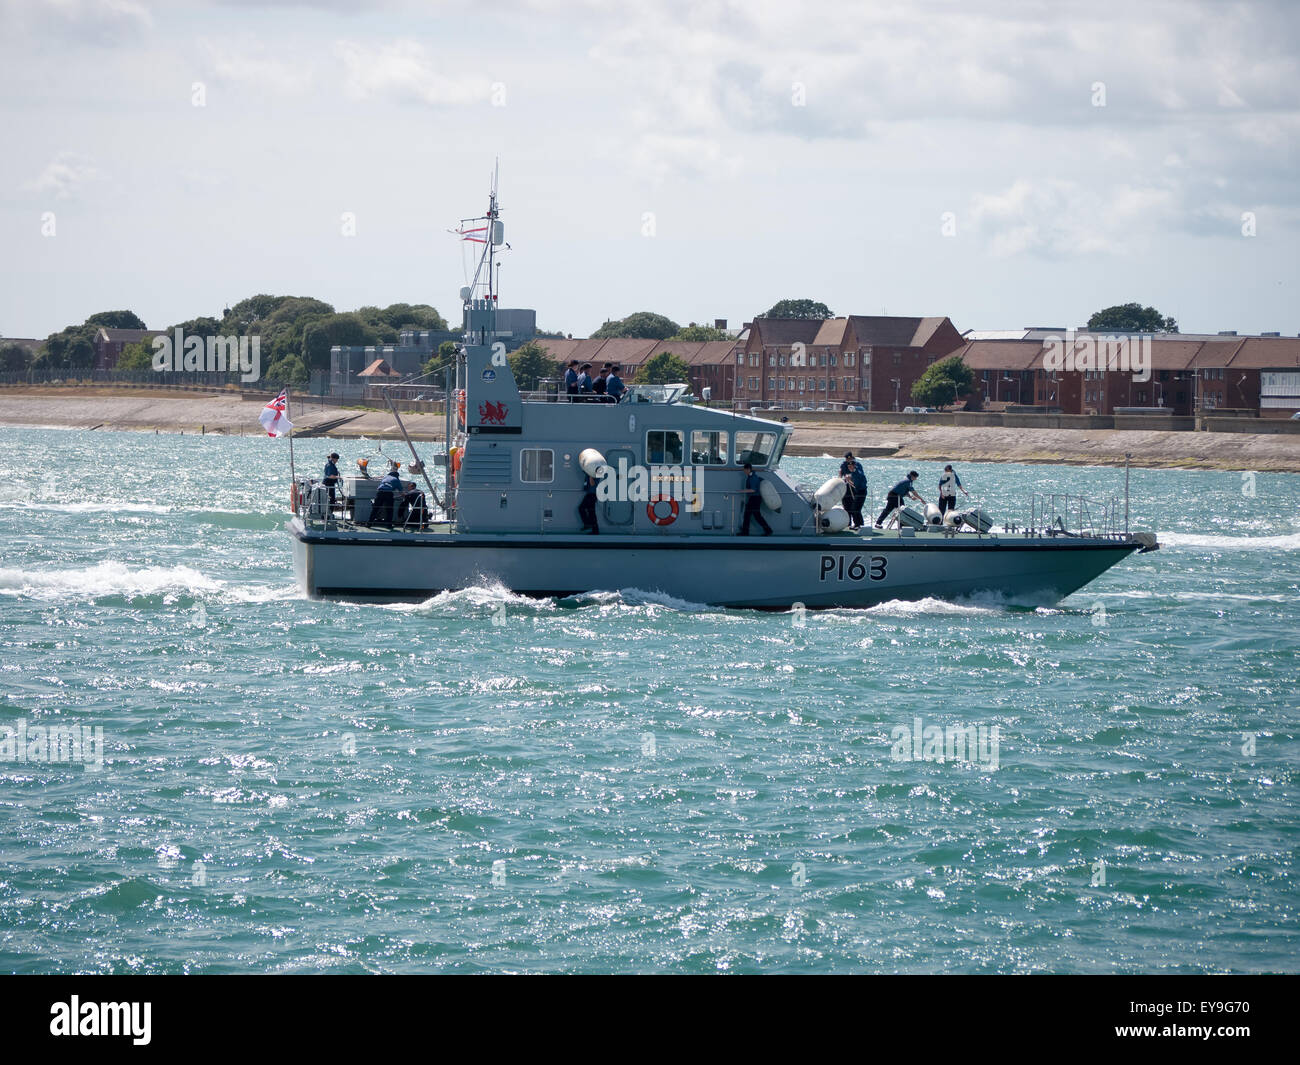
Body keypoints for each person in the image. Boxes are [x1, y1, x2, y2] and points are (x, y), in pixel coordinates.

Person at [738, 463, 773, 536]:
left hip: (755, 499)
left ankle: (746, 532)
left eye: (744, 470)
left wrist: (742, 491)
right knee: (754, 516)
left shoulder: (753, 478)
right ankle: (767, 530)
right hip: (754, 499)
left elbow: (753, 490)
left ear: (748, 469)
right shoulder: (752, 476)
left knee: (749, 515)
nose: (744, 471)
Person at [839, 451, 868, 529]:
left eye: (850, 461)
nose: (849, 464)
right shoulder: (844, 464)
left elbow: (860, 475)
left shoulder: (857, 465)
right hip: (848, 487)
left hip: (857, 489)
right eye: (847, 460)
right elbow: (841, 474)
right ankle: (850, 524)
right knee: (848, 507)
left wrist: (852, 473)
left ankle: (859, 524)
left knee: (855, 508)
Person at [578, 469, 599, 534]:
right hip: (590, 494)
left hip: (592, 494)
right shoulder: (590, 471)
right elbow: (583, 470)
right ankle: (595, 531)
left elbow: (592, 484)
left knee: (581, 508)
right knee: (591, 512)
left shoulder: (595, 473)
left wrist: (590, 475)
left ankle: (587, 524)